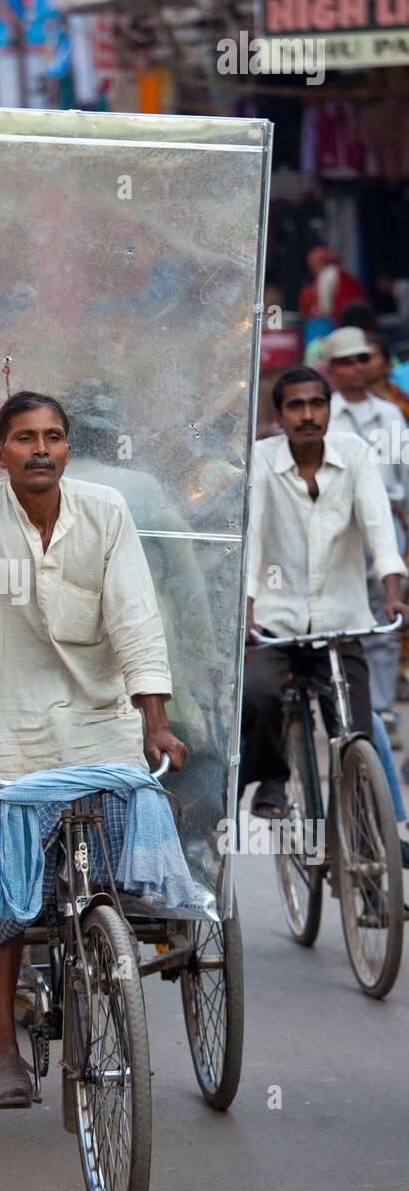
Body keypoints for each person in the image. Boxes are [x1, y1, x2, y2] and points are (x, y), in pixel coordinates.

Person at [0, 391, 189, 1105]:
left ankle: (101, 959)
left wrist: (155, 720)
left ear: (68, 448)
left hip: (97, 709)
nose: (39, 449)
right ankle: (1, 1045)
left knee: (104, 855)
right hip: (5, 711)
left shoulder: (105, 511)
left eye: (52, 437)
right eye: (23, 438)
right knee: (13, 881)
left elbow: (137, 615)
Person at [242, 366, 406, 818]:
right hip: (277, 622)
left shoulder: (354, 454)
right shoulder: (261, 458)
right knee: (257, 696)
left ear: (330, 409)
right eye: (296, 405)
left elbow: (379, 523)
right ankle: (272, 780)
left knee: (359, 728)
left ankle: (369, 838)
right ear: (279, 415)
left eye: (317, 403)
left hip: (341, 620)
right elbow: (251, 536)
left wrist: (394, 591)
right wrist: (249, 610)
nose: (308, 414)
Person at [324, 326, 409, 717]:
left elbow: (404, 478)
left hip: (386, 526)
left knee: (385, 614)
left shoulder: (390, 413)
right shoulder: (324, 415)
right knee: (337, 614)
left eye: (362, 358)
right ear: (332, 367)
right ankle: (342, 706)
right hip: (338, 526)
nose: (357, 368)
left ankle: (379, 709)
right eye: (346, 361)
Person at [299, 247, 367, 323]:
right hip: (360, 317)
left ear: (321, 263)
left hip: (343, 320)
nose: (313, 270)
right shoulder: (344, 273)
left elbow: (325, 308)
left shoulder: (327, 274)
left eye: (313, 266)